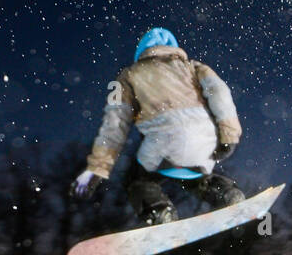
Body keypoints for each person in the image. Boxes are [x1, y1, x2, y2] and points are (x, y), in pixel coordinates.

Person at [69, 27, 245, 225]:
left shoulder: (127, 76)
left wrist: (97, 168)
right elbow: (220, 93)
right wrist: (229, 135)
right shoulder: (194, 67)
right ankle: (228, 195)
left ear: (141, 51)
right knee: (197, 178)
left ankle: (159, 212)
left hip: (163, 143)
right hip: (204, 142)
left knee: (137, 181)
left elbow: (114, 123)